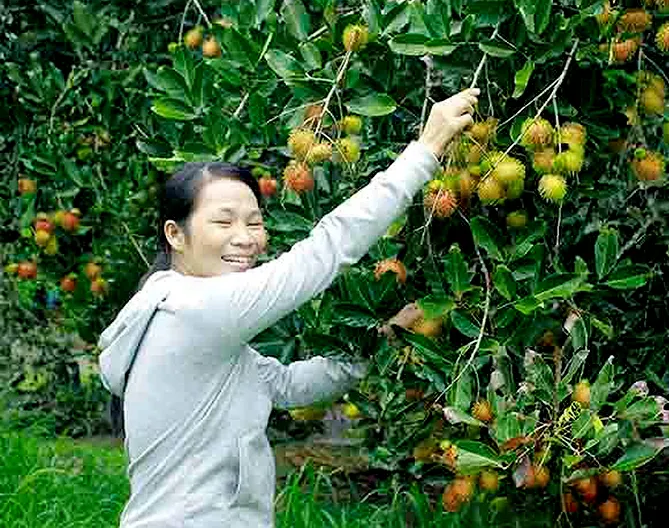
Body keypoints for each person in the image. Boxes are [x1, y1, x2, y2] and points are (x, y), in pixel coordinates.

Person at [97, 88, 480, 527]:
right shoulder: (195, 309)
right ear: (175, 235)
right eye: (223, 222)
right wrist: (426, 151)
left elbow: (290, 385)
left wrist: (386, 335)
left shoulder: (190, 324)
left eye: (254, 222)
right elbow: (325, 250)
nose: (245, 238)